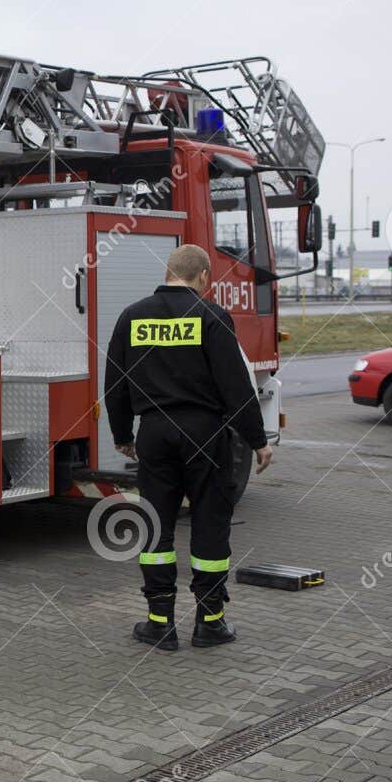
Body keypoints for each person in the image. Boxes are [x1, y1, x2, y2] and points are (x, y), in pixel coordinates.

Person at [103, 243, 273, 652]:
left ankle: (159, 624)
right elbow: (237, 387)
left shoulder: (132, 316)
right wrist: (257, 441)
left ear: (168, 272)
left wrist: (123, 435)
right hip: (204, 433)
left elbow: (115, 385)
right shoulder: (212, 316)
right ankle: (210, 624)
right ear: (204, 277)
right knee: (209, 524)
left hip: (155, 433)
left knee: (156, 527)